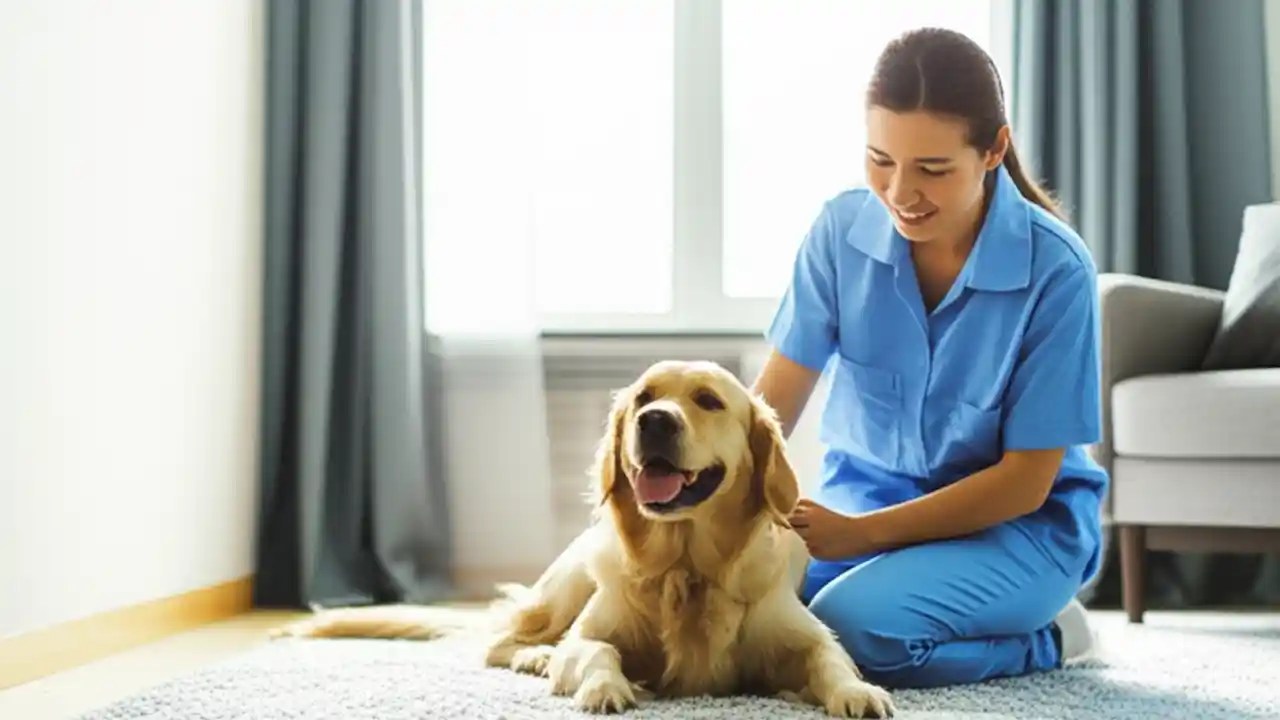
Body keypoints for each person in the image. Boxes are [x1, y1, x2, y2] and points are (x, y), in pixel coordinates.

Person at [751, 27, 1105, 689]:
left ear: (994, 149)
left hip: (1017, 532)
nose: (899, 192)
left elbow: (1025, 482)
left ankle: (1051, 637)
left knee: (851, 633)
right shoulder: (839, 235)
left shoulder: (1057, 273)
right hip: (865, 504)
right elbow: (769, 408)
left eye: (932, 169)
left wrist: (862, 536)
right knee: (753, 618)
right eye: (880, 160)